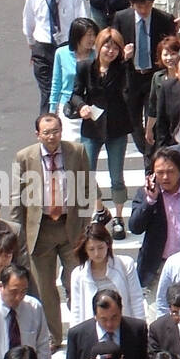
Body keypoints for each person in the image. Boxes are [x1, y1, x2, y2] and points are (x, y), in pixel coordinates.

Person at [9, 114, 101, 348]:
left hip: (70, 227)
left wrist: (85, 223)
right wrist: (18, 234)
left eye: (56, 131)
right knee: (45, 287)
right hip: (40, 230)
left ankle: (83, 330)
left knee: (77, 281)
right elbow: (16, 197)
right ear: (38, 134)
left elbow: (87, 186)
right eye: (46, 132)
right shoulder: (25, 157)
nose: (52, 136)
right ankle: (54, 335)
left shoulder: (76, 152)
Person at [67, 27, 131, 219]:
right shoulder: (85, 67)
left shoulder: (122, 69)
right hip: (92, 126)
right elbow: (76, 94)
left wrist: (127, 63)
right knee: (87, 173)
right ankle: (100, 209)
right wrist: (81, 107)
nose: (110, 51)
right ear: (98, 46)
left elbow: (130, 88)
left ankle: (119, 217)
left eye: (115, 48)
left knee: (116, 176)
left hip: (117, 127)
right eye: (107, 46)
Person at [112, 0, 177, 156]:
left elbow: (172, 47)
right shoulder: (121, 18)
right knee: (133, 121)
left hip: (154, 75)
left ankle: (153, 155)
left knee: (154, 116)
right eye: (139, 6)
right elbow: (111, 48)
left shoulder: (164, 19)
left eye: (148, 5)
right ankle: (147, 152)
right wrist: (123, 55)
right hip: (130, 76)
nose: (144, 10)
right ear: (132, 4)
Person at [128, 147, 180, 291]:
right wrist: (151, 200)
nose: (165, 177)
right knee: (157, 312)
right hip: (157, 267)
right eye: (160, 173)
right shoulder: (145, 195)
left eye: (170, 171)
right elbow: (135, 227)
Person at [24, 0, 89, 117]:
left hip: (67, 47)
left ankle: (69, 121)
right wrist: (32, 46)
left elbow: (82, 21)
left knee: (69, 87)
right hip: (43, 49)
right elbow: (28, 23)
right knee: (47, 91)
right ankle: (47, 126)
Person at [68, 221, 145, 324]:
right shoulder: (78, 275)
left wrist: (141, 329)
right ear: (85, 250)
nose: (96, 253)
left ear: (108, 245)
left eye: (100, 247)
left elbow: (136, 300)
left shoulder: (126, 265)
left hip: (124, 327)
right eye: (91, 249)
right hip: (93, 332)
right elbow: (76, 310)